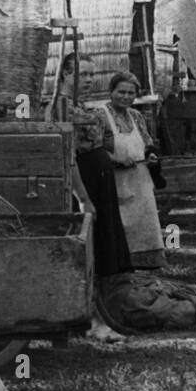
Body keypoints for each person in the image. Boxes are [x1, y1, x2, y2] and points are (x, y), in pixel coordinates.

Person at [46, 53, 131, 342]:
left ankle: (101, 314)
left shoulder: (79, 105)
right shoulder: (60, 107)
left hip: (99, 181)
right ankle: (92, 320)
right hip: (84, 185)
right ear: (65, 75)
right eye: (82, 74)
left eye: (92, 75)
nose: (89, 80)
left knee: (101, 248)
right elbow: (66, 158)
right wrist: (82, 197)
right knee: (87, 252)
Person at [102, 71, 167, 269]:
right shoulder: (100, 116)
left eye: (131, 93)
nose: (126, 97)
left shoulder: (137, 116)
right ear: (111, 92)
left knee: (146, 224)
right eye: (121, 92)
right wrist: (116, 159)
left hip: (141, 181)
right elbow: (93, 151)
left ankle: (146, 266)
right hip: (115, 181)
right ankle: (122, 268)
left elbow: (147, 144)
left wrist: (151, 156)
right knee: (120, 228)